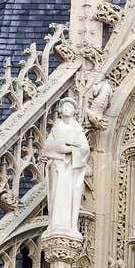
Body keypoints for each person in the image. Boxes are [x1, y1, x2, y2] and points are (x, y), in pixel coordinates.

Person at [41, 99, 91, 239]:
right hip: (57, 167)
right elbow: (47, 147)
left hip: (71, 168)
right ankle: (56, 224)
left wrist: (70, 149)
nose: (67, 109)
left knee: (70, 195)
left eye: (70, 107)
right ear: (60, 110)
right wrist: (59, 148)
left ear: (75, 111)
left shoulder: (77, 128)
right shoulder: (56, 127)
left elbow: (85, 148)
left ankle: (70, 225)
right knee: (57, 196)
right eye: (64, 107)